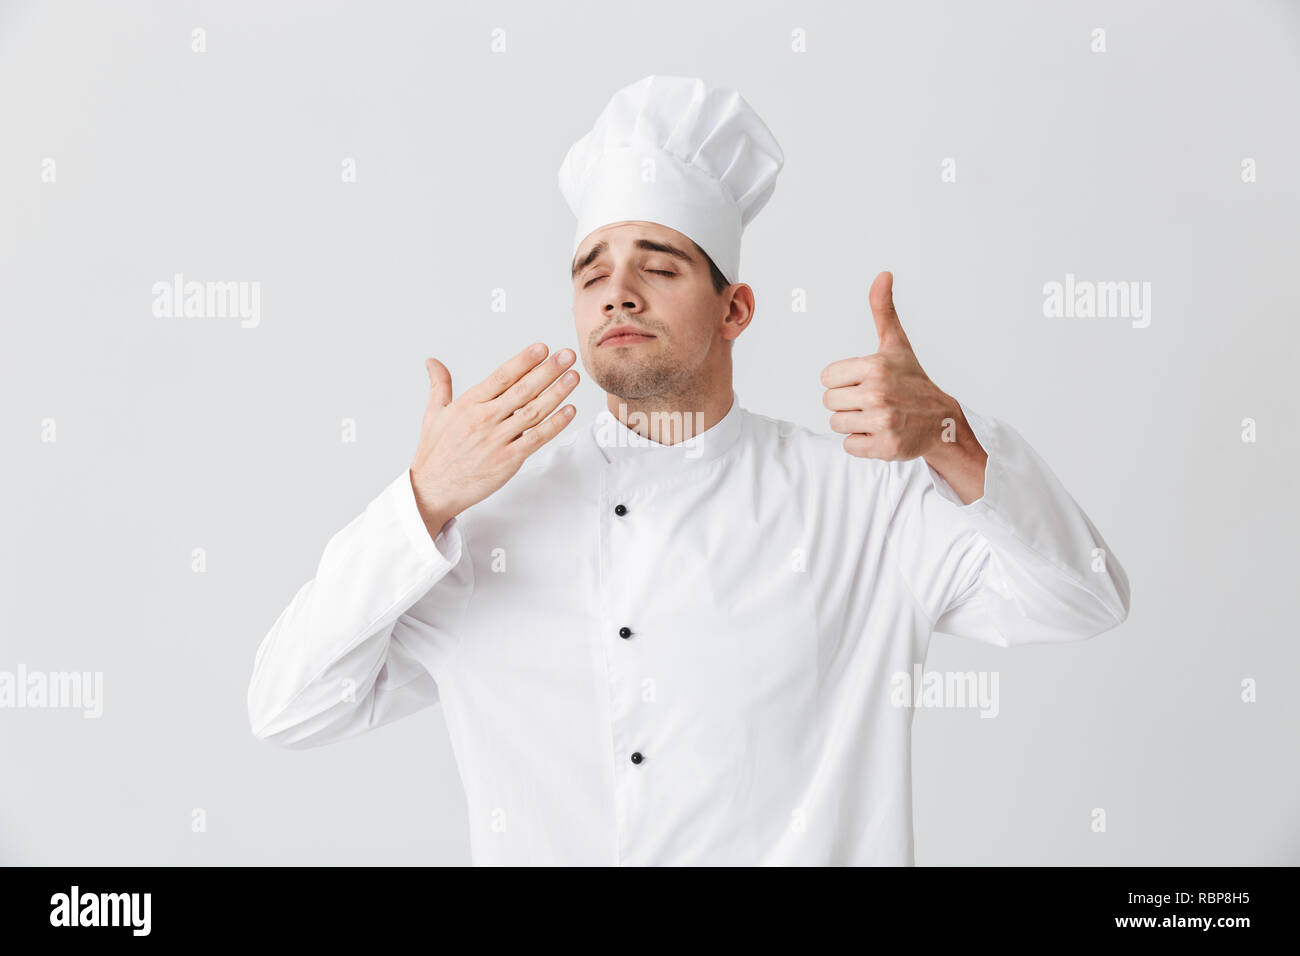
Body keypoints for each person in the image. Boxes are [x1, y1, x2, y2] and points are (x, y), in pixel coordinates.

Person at [246, 75, 1131, 866]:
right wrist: (422, 501)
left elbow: (1086, 599)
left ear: (735, 308)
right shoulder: (482, 530)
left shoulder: (866, 501)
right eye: (592, 273)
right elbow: (288, 707)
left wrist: (951, 435)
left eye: (657, 266)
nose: (617, 292)